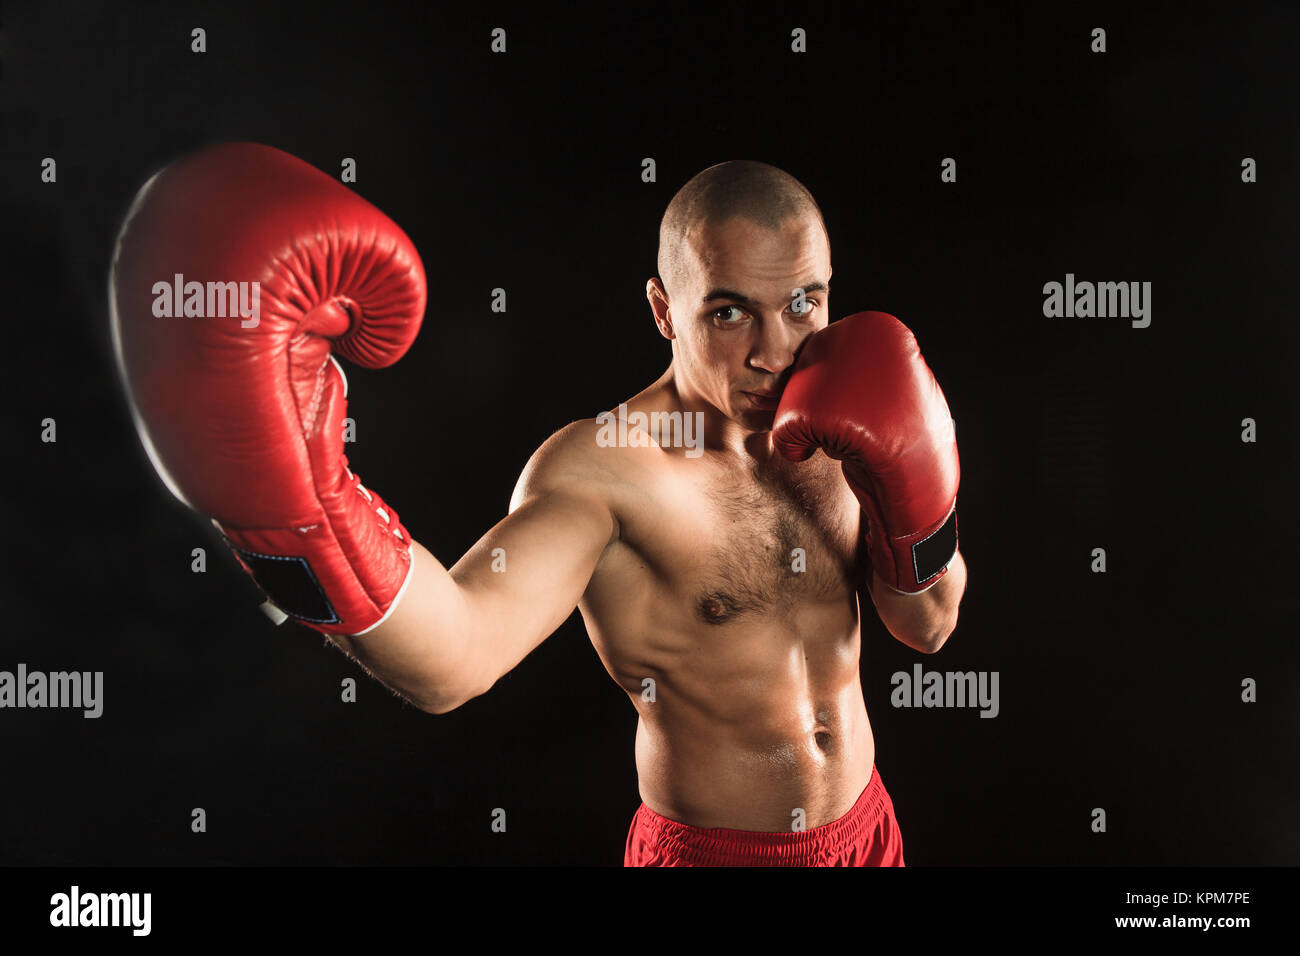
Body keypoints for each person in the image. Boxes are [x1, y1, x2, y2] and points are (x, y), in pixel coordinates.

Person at [110, 143, 965, 866]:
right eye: (731, 313)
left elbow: (928, 625)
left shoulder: (853, 411)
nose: (775, 352)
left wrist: (916, 501)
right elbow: (455, 659)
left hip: (868, 832)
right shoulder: (604, 471)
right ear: (664, 311)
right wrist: (295, 523)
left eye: (803, 303)